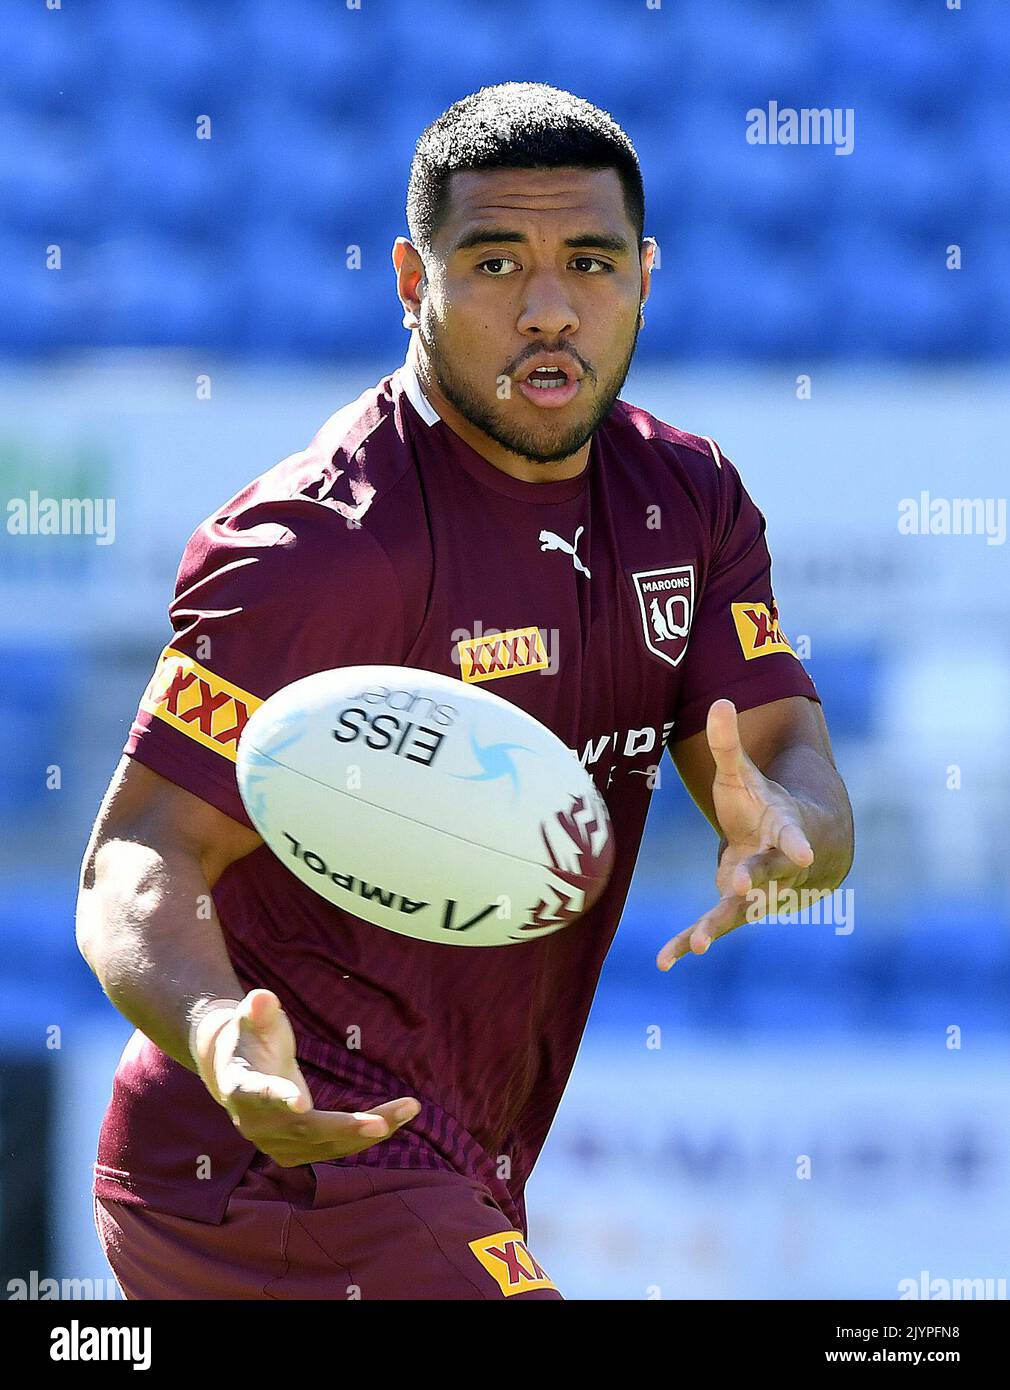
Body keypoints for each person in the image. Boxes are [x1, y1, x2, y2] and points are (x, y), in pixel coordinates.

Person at [78, 82, 853, 1300]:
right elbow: (136, 857)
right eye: (494, 262)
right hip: (268, 1166)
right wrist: (229, 1043)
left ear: (646, 274)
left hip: (456, 1161)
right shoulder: (320, 546)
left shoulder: (687, 504)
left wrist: (794, 832)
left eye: (589, 262)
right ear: (409, 277)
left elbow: (784, 757)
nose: (549, 308)